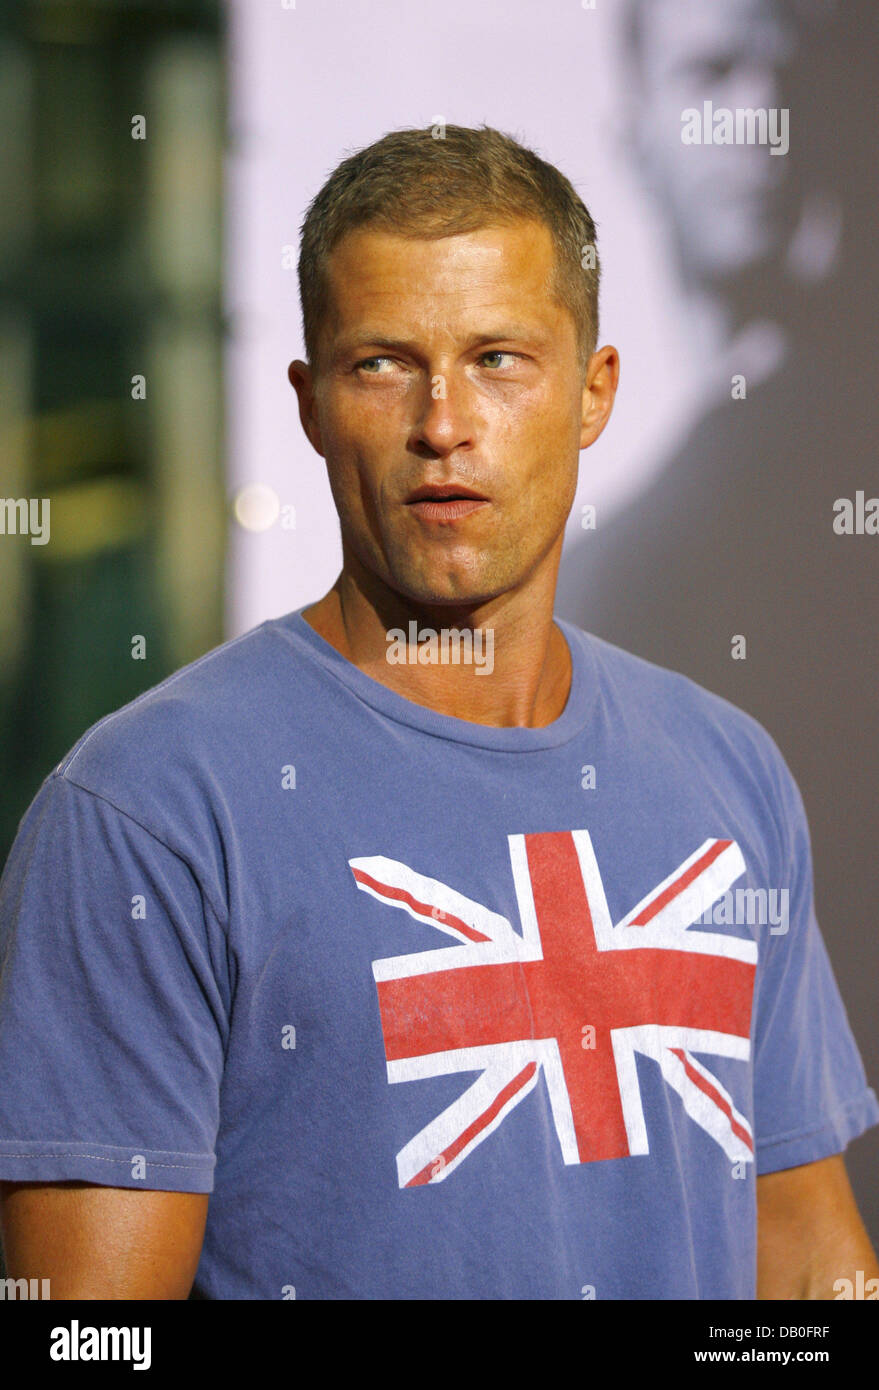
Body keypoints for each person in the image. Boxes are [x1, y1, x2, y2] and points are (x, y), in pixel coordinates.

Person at [0, 124, 876, 1300]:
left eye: (500, 359)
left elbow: (807, 1253)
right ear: (310, 405)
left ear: (594, 392)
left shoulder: (727, 768)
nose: (444, 424)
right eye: (382, 363)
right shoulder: (148, 810)